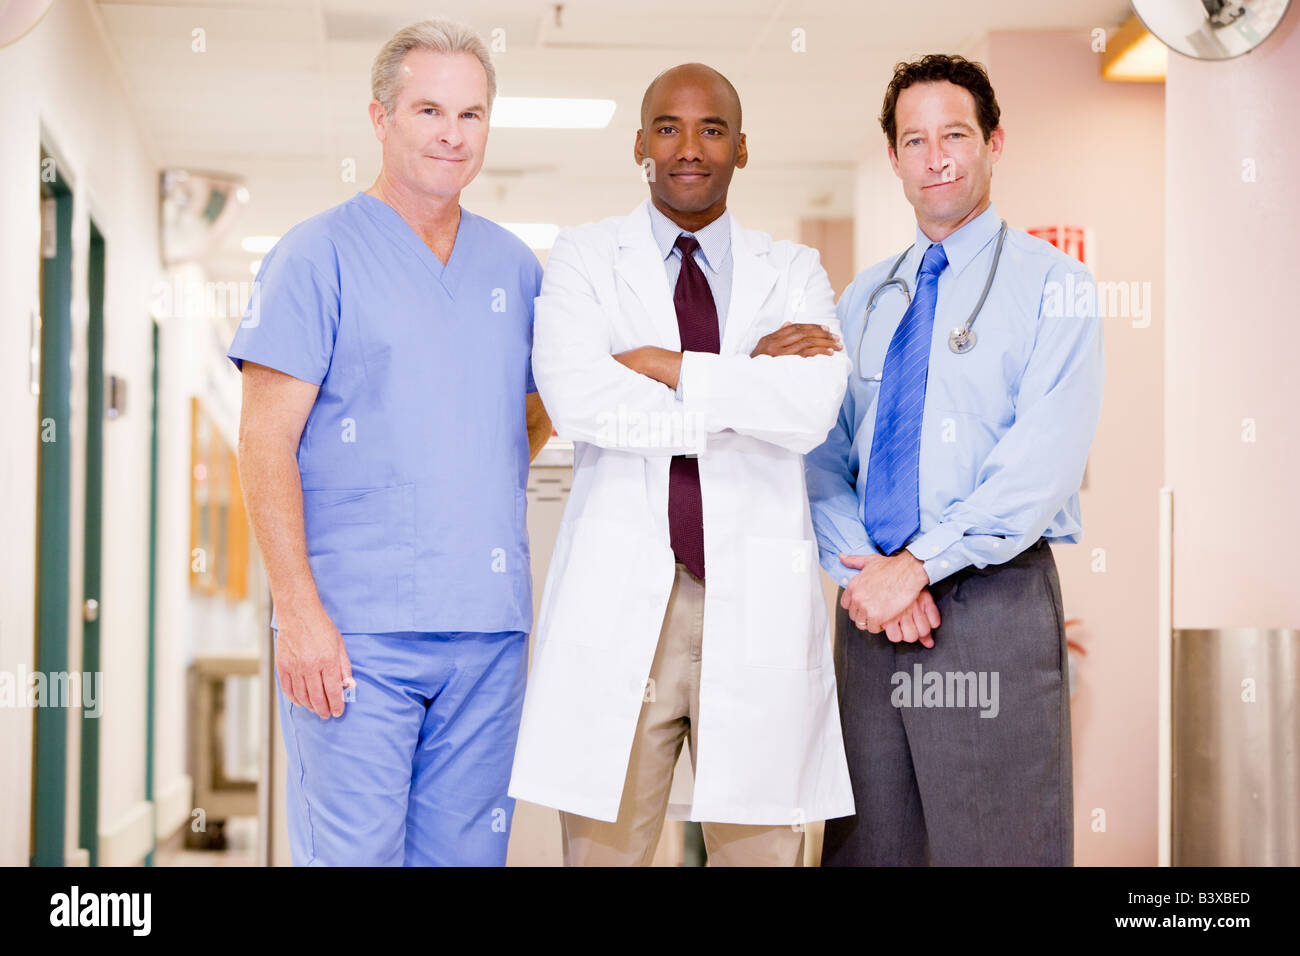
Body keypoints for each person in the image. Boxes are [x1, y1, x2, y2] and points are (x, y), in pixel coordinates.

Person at [508, 62, 855, 866]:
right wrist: (748, 378)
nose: (688, 148)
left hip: (754, 598)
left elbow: (808, 412)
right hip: (624, 599)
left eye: (710, 130)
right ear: (640, 143)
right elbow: (583, 398)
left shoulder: (793, 269)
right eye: (668, 127)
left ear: (741, 147)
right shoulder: (585, 258)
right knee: (606, 853)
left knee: (759, 851)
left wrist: (665, 362)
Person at [229, 18, 552, 866]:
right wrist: (297, 611)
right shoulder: (315, 256)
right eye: (429, 110)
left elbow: (534, 410)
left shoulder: (516, 270)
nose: (452, 134)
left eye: (473, 115)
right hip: (352, 630)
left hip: (486, 630)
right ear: (380, 119)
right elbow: (263, 445)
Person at [806, 53, 1104, 866]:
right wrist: (868, 568)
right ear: (894, 157)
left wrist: (921, 566)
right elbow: (822, 456)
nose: (935, 156)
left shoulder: (1057, 287)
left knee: (997, 848)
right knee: (869, 849)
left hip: (990, 605)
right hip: (871, 615)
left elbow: (1038, 468)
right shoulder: (863, 298)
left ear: (994, 142)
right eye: (913, 139)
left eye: (955, 135)